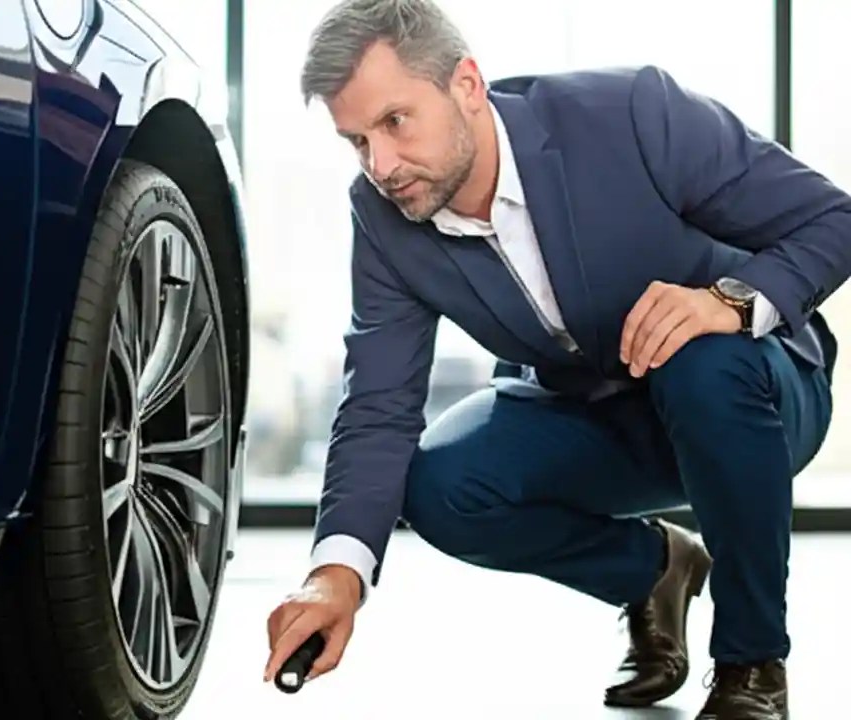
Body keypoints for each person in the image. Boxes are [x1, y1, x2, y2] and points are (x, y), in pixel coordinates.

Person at [262, 1, 851, 718]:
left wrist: (726, 302)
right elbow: (377, 403)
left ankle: (752, 665)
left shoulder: (630, 112)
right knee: (442, 485)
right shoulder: (384, 216)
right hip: (599, 411)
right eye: (357, 141)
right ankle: (656, 568)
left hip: (752, 392)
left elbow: (832, 219)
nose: (381, 165)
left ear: (467, 86)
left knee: (703, 365)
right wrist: (335, 574)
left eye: (394, 122)